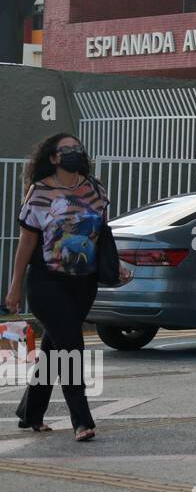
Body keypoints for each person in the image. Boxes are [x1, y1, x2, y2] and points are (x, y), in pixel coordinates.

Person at [3, 133, 131, 442]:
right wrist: (15, 287)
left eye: (78, 148)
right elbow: (27, 243)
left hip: (83, 284)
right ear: (53, 158)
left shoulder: (96, 189)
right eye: (67, 149)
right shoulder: (40, 192)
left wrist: (115, 267)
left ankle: (31, 413)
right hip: (47, 282)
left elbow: (102, 236)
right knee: (72, 346)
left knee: (54, 351)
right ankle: (82, 420)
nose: (75, 152)